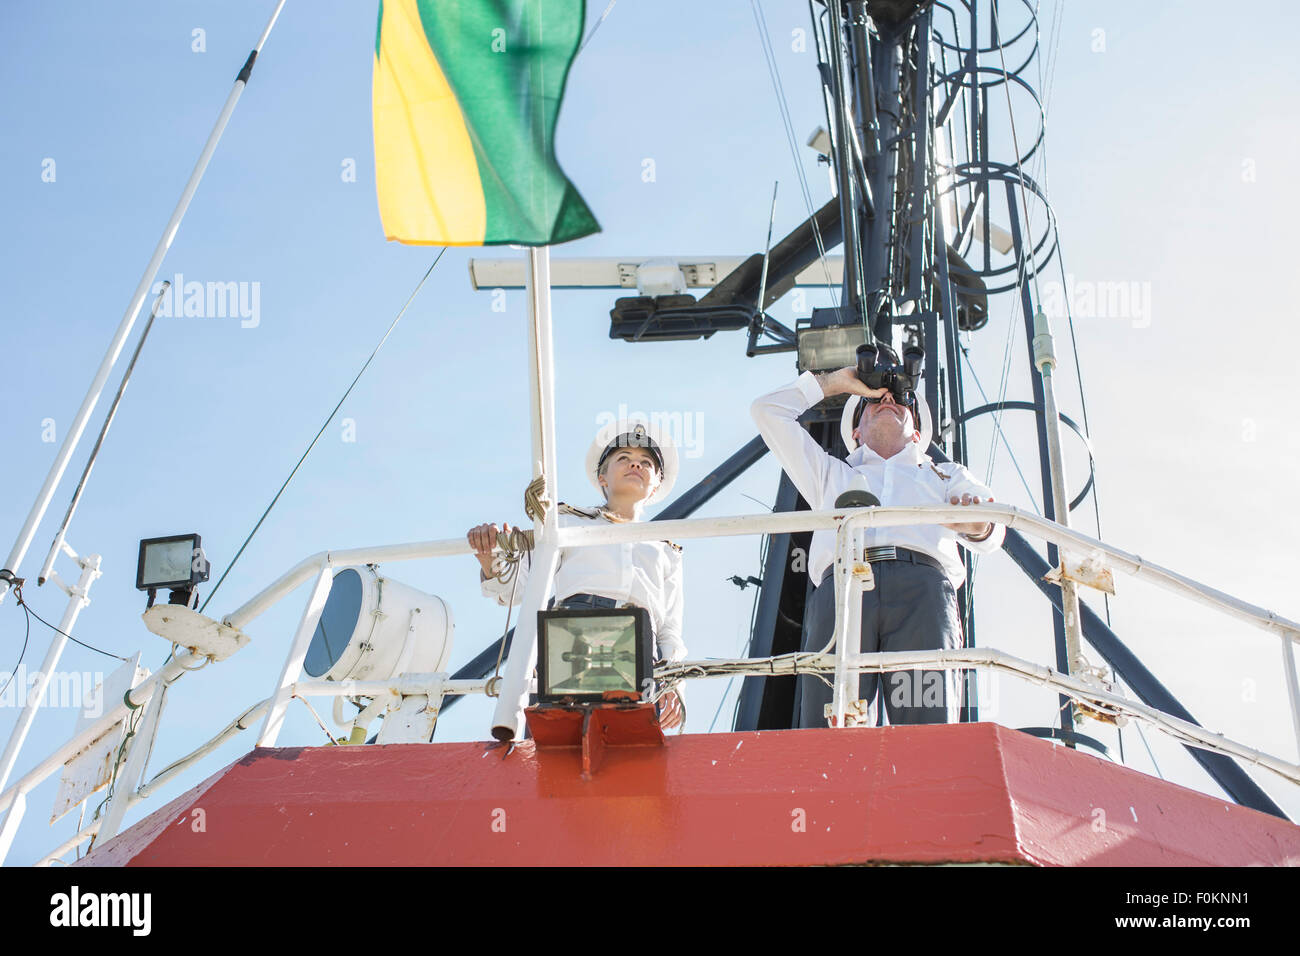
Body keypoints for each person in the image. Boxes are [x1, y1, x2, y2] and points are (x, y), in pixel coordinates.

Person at [751, 364, 1003, 728]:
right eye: (873, 401)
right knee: (828, 730)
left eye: (901, 399)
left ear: (916, 432)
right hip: (842, 591)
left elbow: (992, 527)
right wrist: (832, 382)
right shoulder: (829, 475)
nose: (888, 400)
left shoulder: (948, 476)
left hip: (923, 593)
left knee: (928, 732)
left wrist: (978, 525)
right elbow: (767, 411)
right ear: (855, 430)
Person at [468, 419, 686, 728]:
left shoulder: (667, 549)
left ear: (655, 486)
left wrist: (674, 685)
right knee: (558, 743)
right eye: (623, 458)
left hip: (640, 653)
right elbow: (517, 590)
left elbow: (669, 630)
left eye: (646, 462)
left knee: (631, 753)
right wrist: (490, 559)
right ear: (602, 477)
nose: (635, 464)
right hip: (572, 641)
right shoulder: (565, 523)